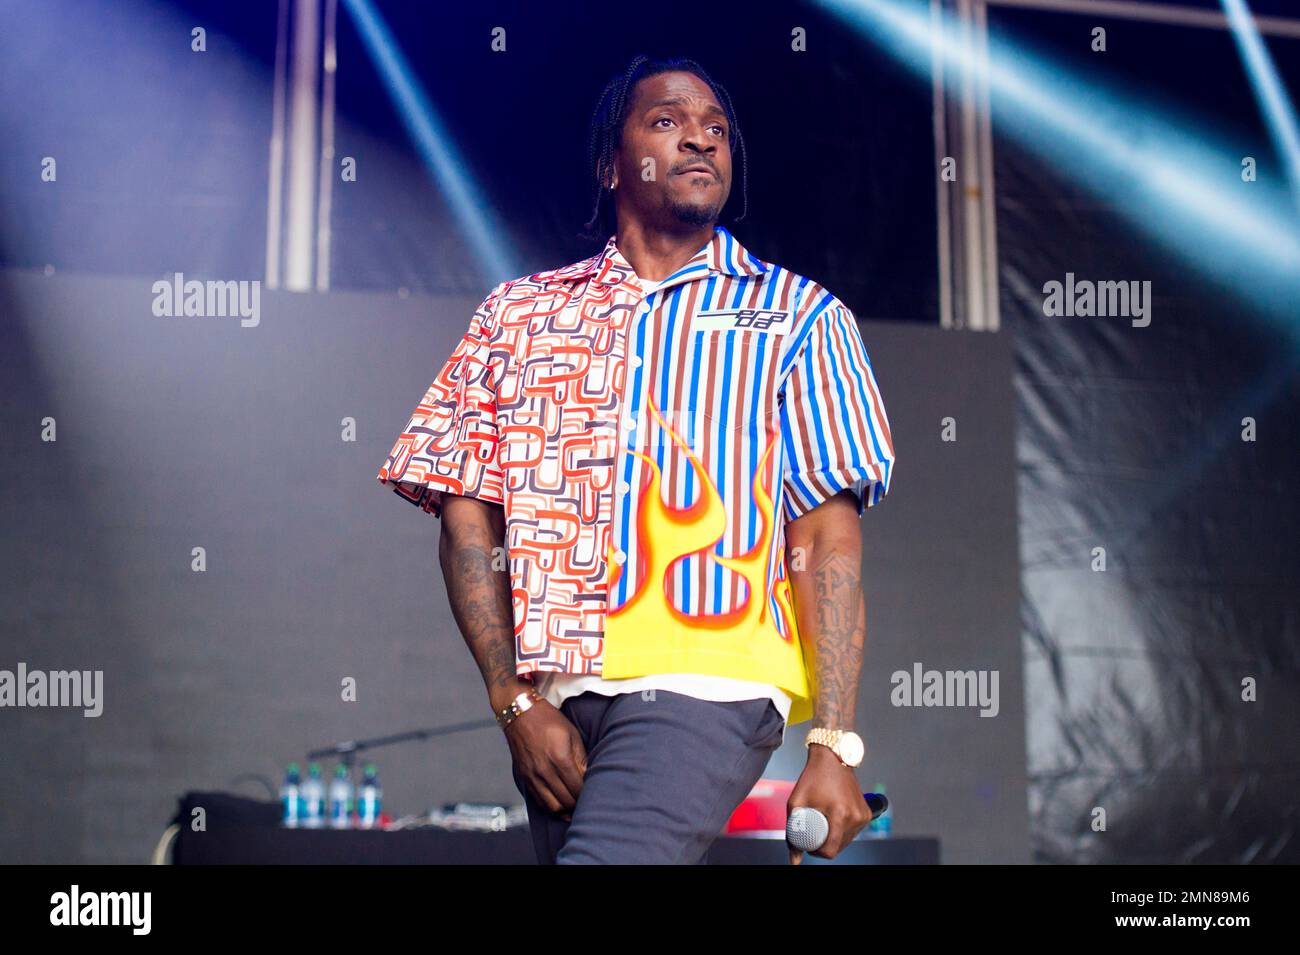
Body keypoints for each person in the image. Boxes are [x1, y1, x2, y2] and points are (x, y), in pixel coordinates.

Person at [377, 54, 895, 864]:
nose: (701, 141)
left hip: (712, 677)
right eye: (668, 121)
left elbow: (827, 541)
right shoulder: (520, 315)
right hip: (557, 695)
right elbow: (464, 508)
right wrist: (512, 700)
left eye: (717, 130)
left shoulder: (798, 316)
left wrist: (831, 742)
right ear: (609, 162)